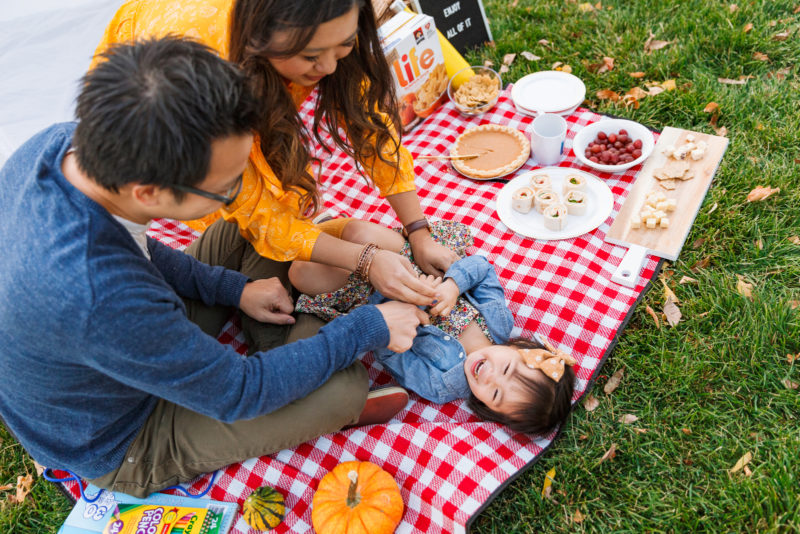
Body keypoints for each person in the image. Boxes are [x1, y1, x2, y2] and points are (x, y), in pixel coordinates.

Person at [0, 37, 427, 498]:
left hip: (118, 344)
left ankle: (286, 358)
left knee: (251, 231)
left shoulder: (63, 147)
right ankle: (303, 382)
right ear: (149, 192)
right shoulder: (98, 293)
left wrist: (235, 290)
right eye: (226, 188)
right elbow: (238, 393)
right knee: (342, 389)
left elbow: (140, 250)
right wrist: (366, 328)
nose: (239, 192)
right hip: (125, 434)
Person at [92, 0, 460, 327]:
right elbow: (252, 208)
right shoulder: (208, 81)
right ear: (262, 39)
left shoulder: (325, 31)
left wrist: (418, 230)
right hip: (173, 82)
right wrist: (364, 261)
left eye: (345, 43)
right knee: (236, 220)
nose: (331, 67)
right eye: (312, 55)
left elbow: (371, 124)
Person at [291, 222, 576, 434]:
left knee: (299, 274)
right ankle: (329, 237)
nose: (490, 378)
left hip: (368, 298)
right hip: (408, 264)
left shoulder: (441, 386)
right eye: (506, 370)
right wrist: (453, 285)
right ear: (521, 350)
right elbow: (480, 268)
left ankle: (324, 246)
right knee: (357, 234)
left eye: (496, 395)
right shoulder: (498, 321)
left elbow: (389, 353)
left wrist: (408, 310)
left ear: (490, 409)